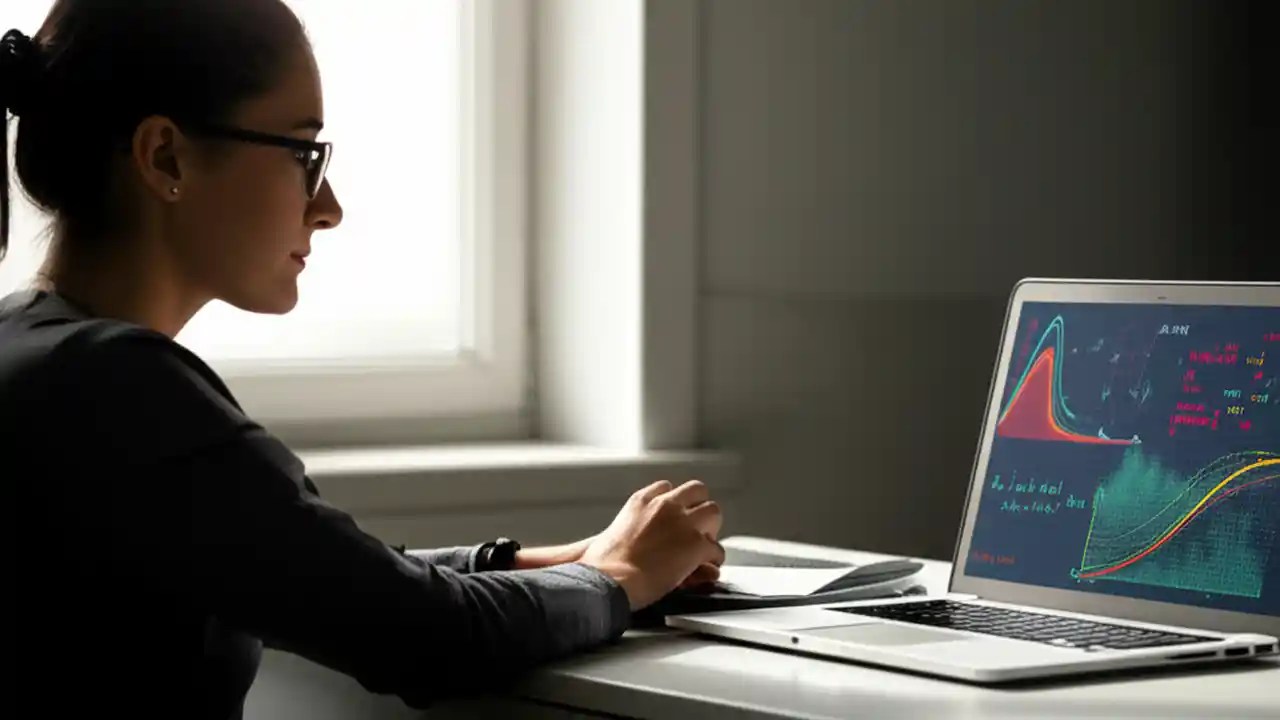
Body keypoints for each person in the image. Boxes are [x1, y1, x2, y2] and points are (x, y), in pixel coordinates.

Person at [0, 2, 725, 718]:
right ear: (166, 156)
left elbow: (313, 571)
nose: (329, 206)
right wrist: (618, 577)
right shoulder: (117, 388)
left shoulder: (33, 354)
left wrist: (563, 562)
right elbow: (424, 635)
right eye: (302, 154)